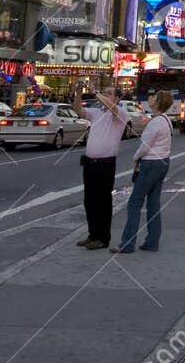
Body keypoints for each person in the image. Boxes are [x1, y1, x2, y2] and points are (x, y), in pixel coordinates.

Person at [115, 91, 174, 253]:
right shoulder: (166, 121)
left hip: (150, 164)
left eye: (153, 97)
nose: (150, 98)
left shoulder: (155, 123)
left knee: (134, 203)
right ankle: (152, 242)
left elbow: (145, 146)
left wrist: (135, 158)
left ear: (158, 102)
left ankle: (127, 243)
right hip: (163, 162)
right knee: (153, 203)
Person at [69, 91, 129, 250]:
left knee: (103, 202)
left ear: (116, 98)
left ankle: (103, 238)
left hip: (106, 163)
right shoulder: (96, 113)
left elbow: (111, 107)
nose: (105, 95)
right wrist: (77, 94)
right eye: (105, 93)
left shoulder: (119, 113)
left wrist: (96, 92)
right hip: (90, 163)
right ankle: (92, 234)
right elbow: (78, 110)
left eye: (109, 93)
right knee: (89, 201)